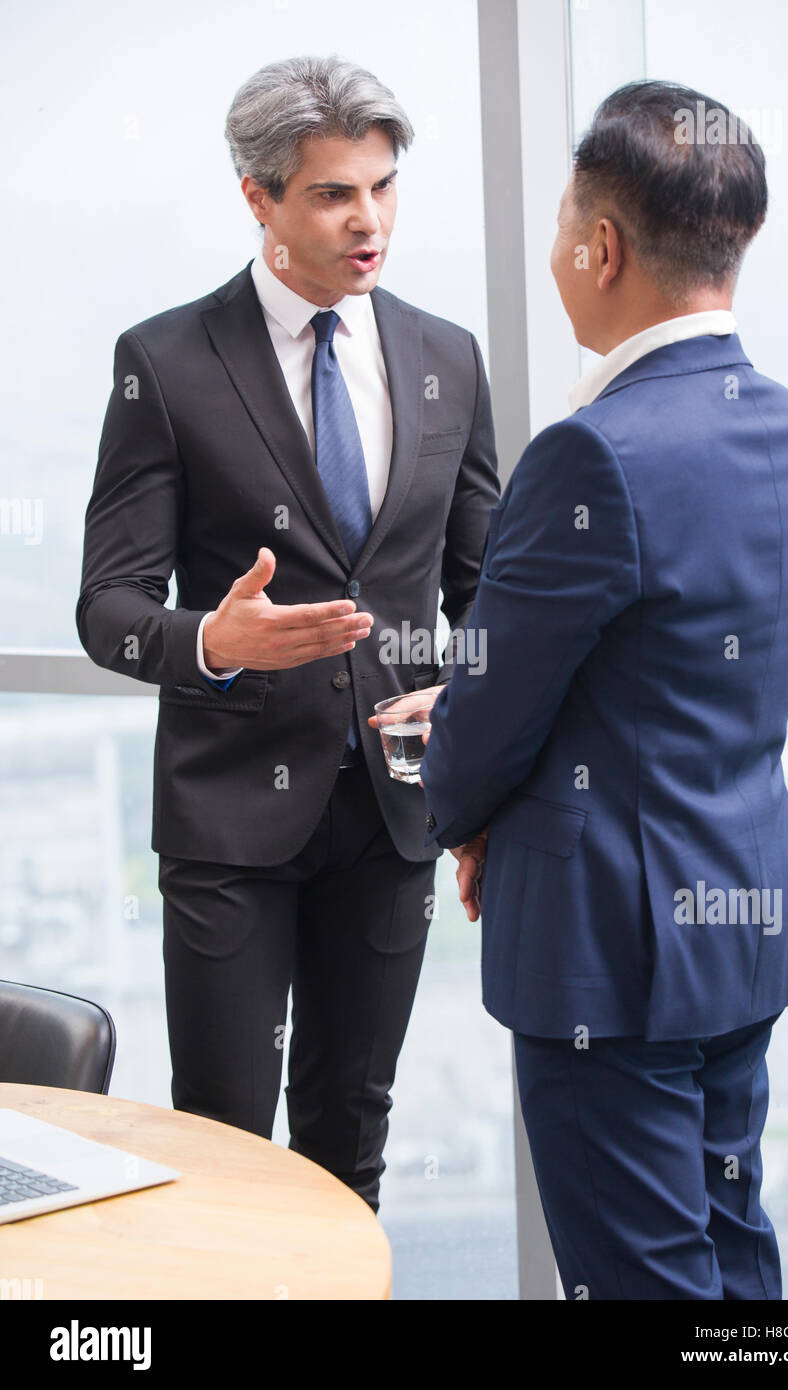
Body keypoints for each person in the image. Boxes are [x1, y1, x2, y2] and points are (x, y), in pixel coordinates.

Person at [418, 80, 788, 1297]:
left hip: (612, 941)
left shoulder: (591, 450)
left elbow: (490, 710)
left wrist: (467, 807)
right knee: (730, 1251)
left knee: (642, 1283)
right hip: (741, 912)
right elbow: (669, 675)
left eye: (563, 224)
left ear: (600, 247)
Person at [76, 55, 499, 1212]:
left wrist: (466, 703)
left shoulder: (444, 358)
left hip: (392, 811)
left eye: (382, 185)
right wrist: (214, 642)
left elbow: (492, 590)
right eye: (330, 194)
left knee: (349, 1138)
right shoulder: (163, 362)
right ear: (258, 198)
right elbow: (105, 609)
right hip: (228, 825)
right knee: (222, 1146)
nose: (368, 220)